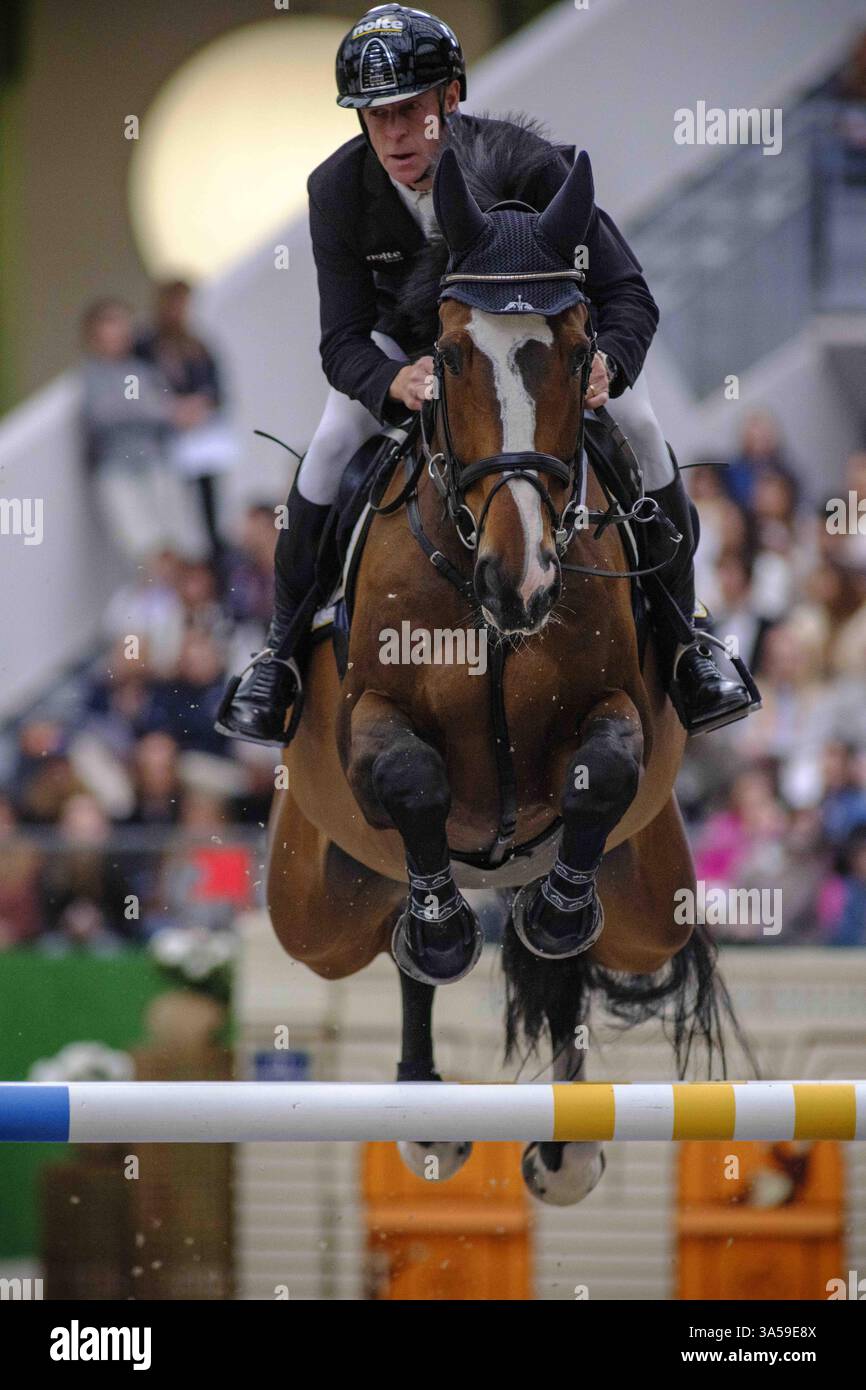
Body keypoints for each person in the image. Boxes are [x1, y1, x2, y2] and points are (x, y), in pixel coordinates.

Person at [217, 3, 753, 746]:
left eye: (409, 111)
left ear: (451, 96)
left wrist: (610, 363)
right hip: (411, 352)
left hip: (534, 356)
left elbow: (627, 293)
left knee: (642, 425)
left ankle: (691, 644)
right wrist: (388, 384)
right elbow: (340, 339)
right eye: (375, 117)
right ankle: (278, 655)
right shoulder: (336, 190)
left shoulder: (535, 168)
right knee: (335, 437)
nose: (394, 135)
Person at [134, 279, 228, 562]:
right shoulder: (146, 346)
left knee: (205, 500)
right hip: (163, 442)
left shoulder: (195, 344)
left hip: (198, 438)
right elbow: (140, 389)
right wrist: (170, 409)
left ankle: (210, 554)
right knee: (174, 506)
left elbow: (217, 388)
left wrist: (200, 405)